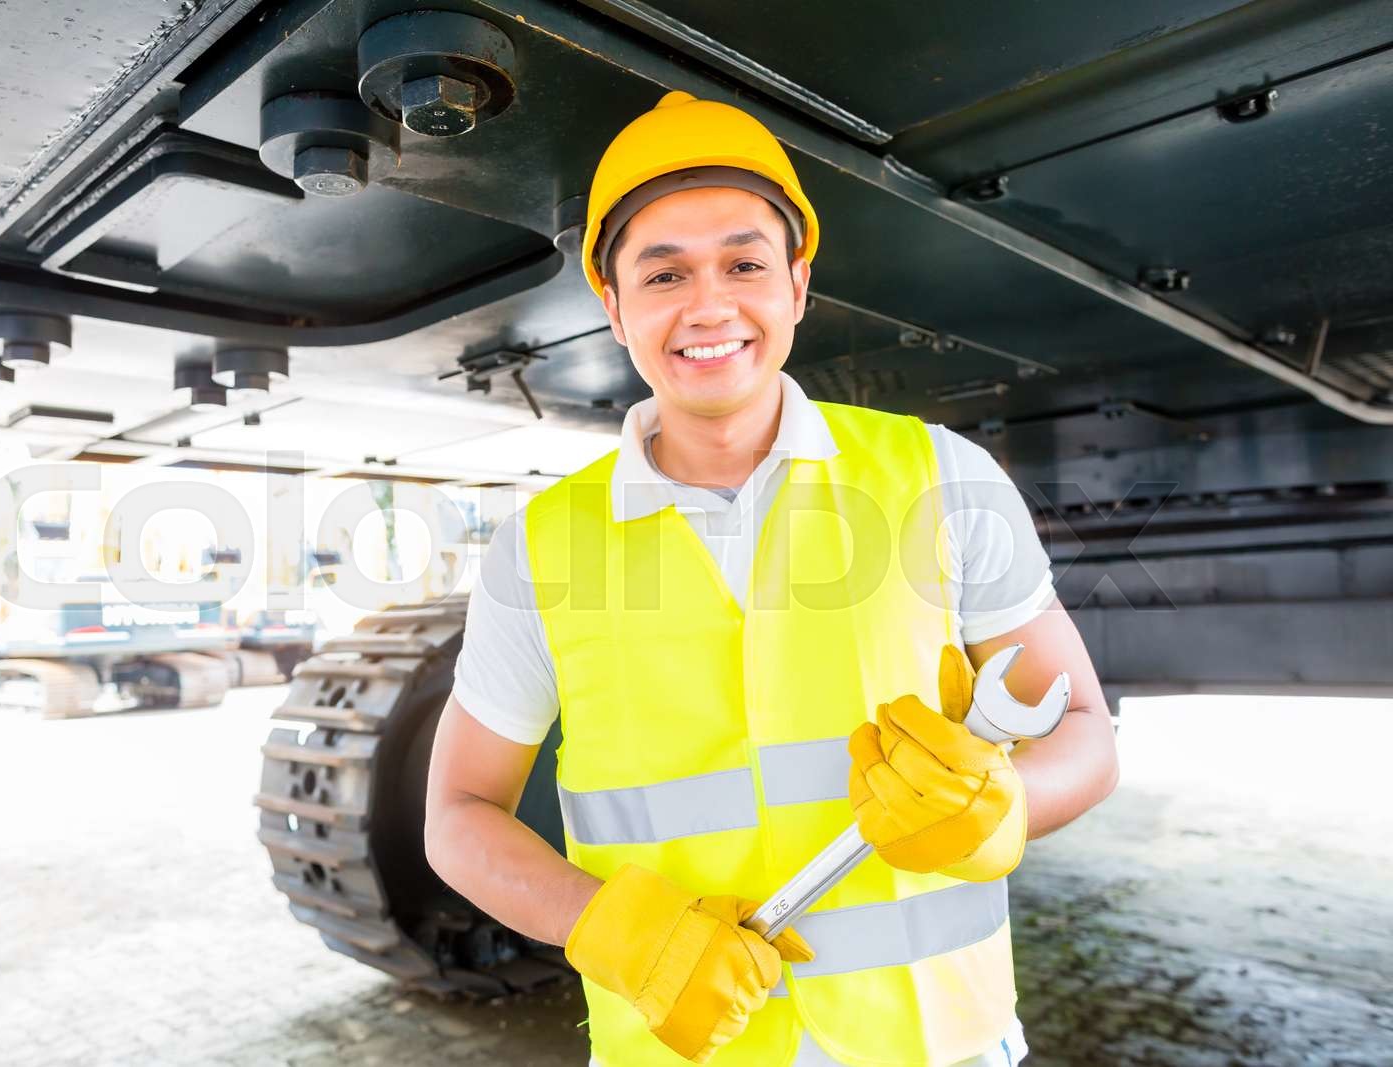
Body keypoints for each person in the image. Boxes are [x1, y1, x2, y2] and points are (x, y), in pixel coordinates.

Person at [425, 91, 1119, 1067]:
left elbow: (1083, 733)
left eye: (743, 263)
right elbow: (458, 816)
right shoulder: (539, 546)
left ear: (796, 283)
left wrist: (1003, 808)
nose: (709, 305)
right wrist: (610, 928)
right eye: (662, 273)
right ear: (613, 307)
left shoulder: (941, 475)